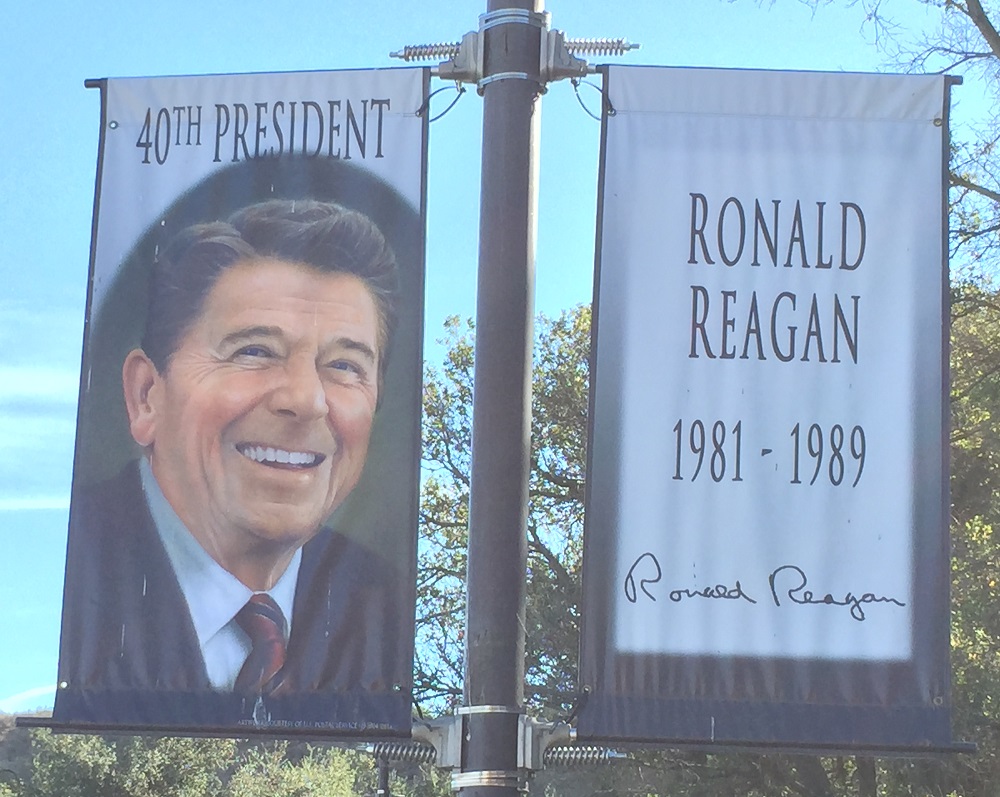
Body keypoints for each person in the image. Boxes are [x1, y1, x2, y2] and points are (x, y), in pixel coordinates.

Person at [53, 199, 411, 731]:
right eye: (254, 352)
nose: (307, 400)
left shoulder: (388, 609)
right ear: (147, 396)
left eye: (344, 365)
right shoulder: (60, 581)